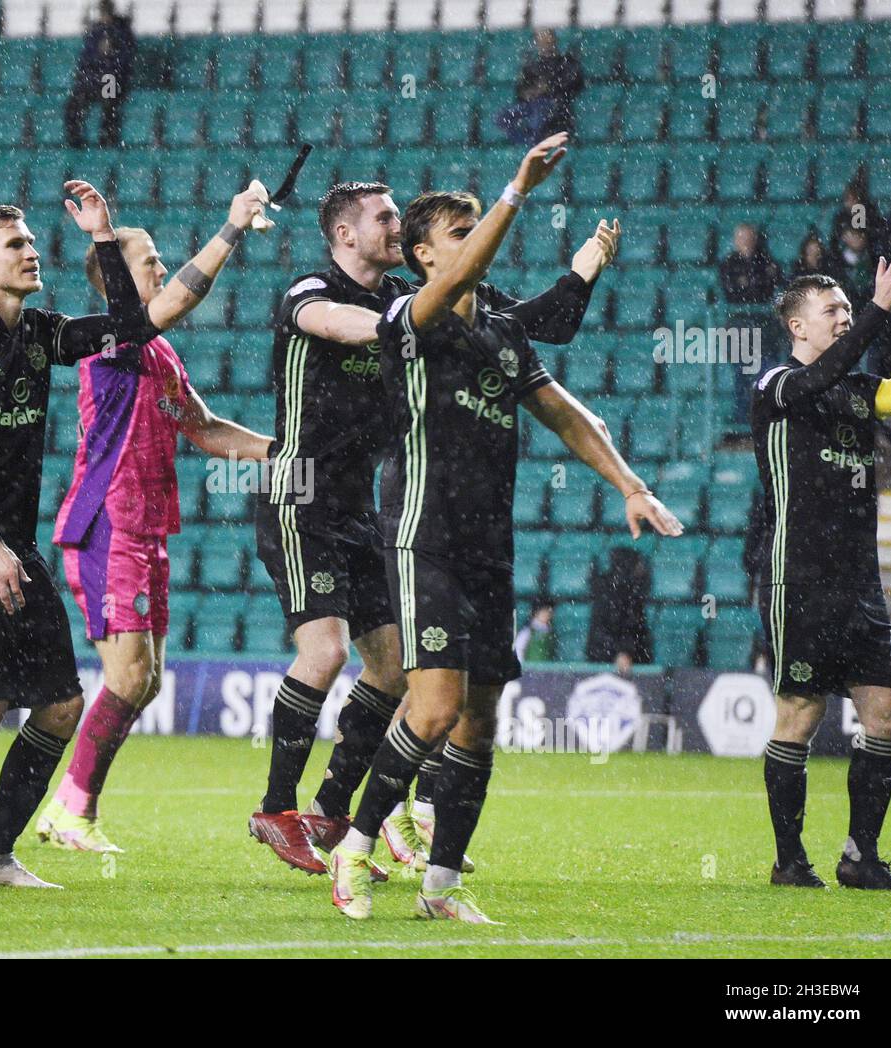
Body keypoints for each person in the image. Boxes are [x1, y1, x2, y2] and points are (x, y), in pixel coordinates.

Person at [327, 133, 683, 923]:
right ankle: (353, 847)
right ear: (422, 255)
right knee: (433, 709)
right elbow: (460, 275)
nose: (475, 241)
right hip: (424, 538)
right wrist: (518, 188)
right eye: (461, 231)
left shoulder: (502, 334)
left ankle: (442, 888)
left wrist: (630, 484)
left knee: (482, 722)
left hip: (489, 547)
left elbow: (566, 414)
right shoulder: (409, 319)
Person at [0, 179, 267, 890]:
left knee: (63, 704)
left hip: (19, 546)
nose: (33, 253)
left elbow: (131, 330)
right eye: (16, 245)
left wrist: (102, 236)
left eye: (34, 242)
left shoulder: (41, 334)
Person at [250, 179, 620, 878]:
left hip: (367, 507)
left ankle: (335, 811)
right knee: (325, 652)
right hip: (299, 495)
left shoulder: (408, 300)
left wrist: (581, 272)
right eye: (383, 218)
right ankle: (277, 807)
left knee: (393, 668)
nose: (394, 227)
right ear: (345, 235)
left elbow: (534, 322)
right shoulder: (313, 287)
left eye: (398, 217)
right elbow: (333, 323)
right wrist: (408, 318)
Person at [37, 210, 273, 853]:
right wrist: (230, 229)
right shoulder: (110, 339)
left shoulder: (161, 352)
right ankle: (70, 811)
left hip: (147, 527)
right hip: (107, 522)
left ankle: (70, 807)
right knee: (126, 676)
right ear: (115, 280)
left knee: (145, 681)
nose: (162, 266)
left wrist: (287, 454)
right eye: (150, 261)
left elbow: (204, 427)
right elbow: (175, 300)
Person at [751, 258, 891, 891]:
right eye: (834, 311)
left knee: (888, 716)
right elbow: (824, 377)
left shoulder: (852, 387)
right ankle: (789, 860)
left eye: (849, 309)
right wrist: (880, 310)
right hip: (802, 578)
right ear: (797, 325)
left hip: (859, 585)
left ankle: (860, 856)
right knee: (800, 715)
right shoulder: (778, 384)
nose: (846, 317)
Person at [719, 223, 783, 428]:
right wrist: (752, 286)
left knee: (768, 373)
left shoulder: (765, 260)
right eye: (742, 237)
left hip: (764, 331)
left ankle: (767, 420)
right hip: (740, 331)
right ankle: (742, 425)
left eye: (749, 237)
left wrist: (749, 285)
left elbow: (769, 288)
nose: (746, 242)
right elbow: (733, 293)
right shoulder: (729, 263)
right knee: (742, 376)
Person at [64, 0, 135, 149]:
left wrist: (110, 54)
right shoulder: (95, 33)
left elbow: (123, 62)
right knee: (74, 104)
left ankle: (107, 141)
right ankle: (74, 141)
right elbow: (85, 60)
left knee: (109, 98)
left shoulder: (121, 33)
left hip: (112, 79)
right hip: (94, 79)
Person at [494, 29, 583, 146]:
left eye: (547, 39)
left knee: (539, 113)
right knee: (503, 118)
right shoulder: (532, 65)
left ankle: (535, 142)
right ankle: (522, 143)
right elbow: (521, 89)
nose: (545, 43)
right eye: (541, 40)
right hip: (530, 104)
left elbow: (574, 84)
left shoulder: (566, 62)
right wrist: (530, 92)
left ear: (554, 40)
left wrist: (549, 88)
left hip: (555, 105)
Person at [585, 546, 653, 674]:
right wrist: (622, 652)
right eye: (638, 564)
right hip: (608, 660)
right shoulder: (624, 593)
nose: (641, 568)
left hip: (610, 657)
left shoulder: (626, 591)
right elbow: (622, 627)